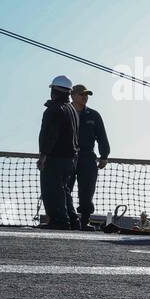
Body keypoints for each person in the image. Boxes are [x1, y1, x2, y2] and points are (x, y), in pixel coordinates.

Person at [66, 84, 110, 231]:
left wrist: (104, 156)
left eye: (87, 95)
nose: (85, 97)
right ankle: (67, 219)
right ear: (72, 95)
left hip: (87, 158)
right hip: (67, 156)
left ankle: (84, 221)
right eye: (81, 94)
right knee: (65, 189)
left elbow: (102, 137)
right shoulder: (65, 112)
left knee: (87, 190)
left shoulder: (93, 115)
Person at [38, 75, 79, 230]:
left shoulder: (53, 110)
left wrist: (43, 156)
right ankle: (73, 221)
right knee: (64, 191)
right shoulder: (72, 110)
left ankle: (59, 221)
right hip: (70, 159)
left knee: (52, 190)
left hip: (55, 158)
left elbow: (50, 135)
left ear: (54, 90)